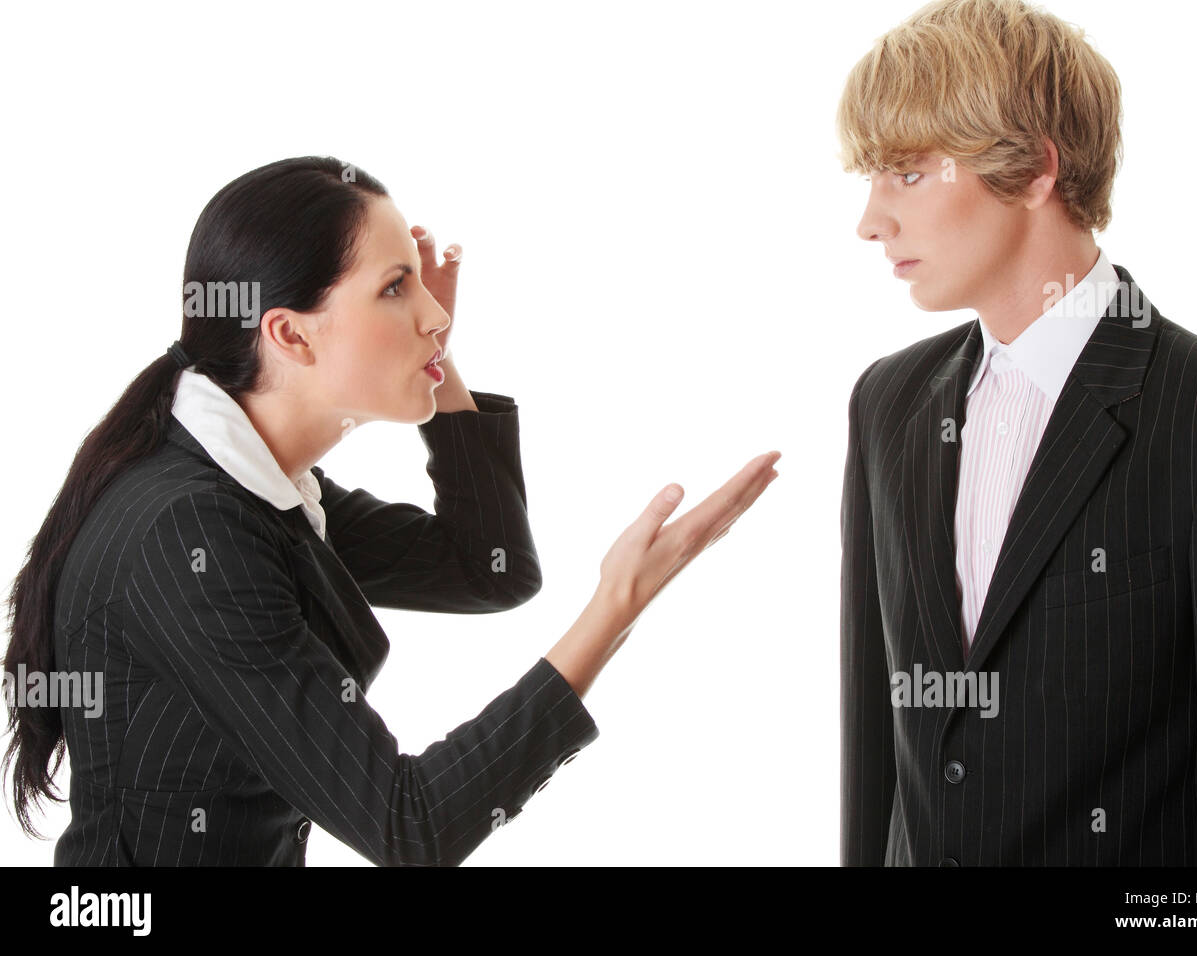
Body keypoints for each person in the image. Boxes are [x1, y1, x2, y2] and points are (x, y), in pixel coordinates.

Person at [2, 155, 779, 866]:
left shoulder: (253, 485)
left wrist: (433, 358)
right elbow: (411, 826)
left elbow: (488, 571)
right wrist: (617, 607)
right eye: (394, 288)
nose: (437, 313)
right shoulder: (191, 530)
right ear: (290, 335)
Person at [837, 0, 1197, 865]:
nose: (870, 220)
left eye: (905, 173)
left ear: (1035, 170)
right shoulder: (887, 405)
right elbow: (877, 750)